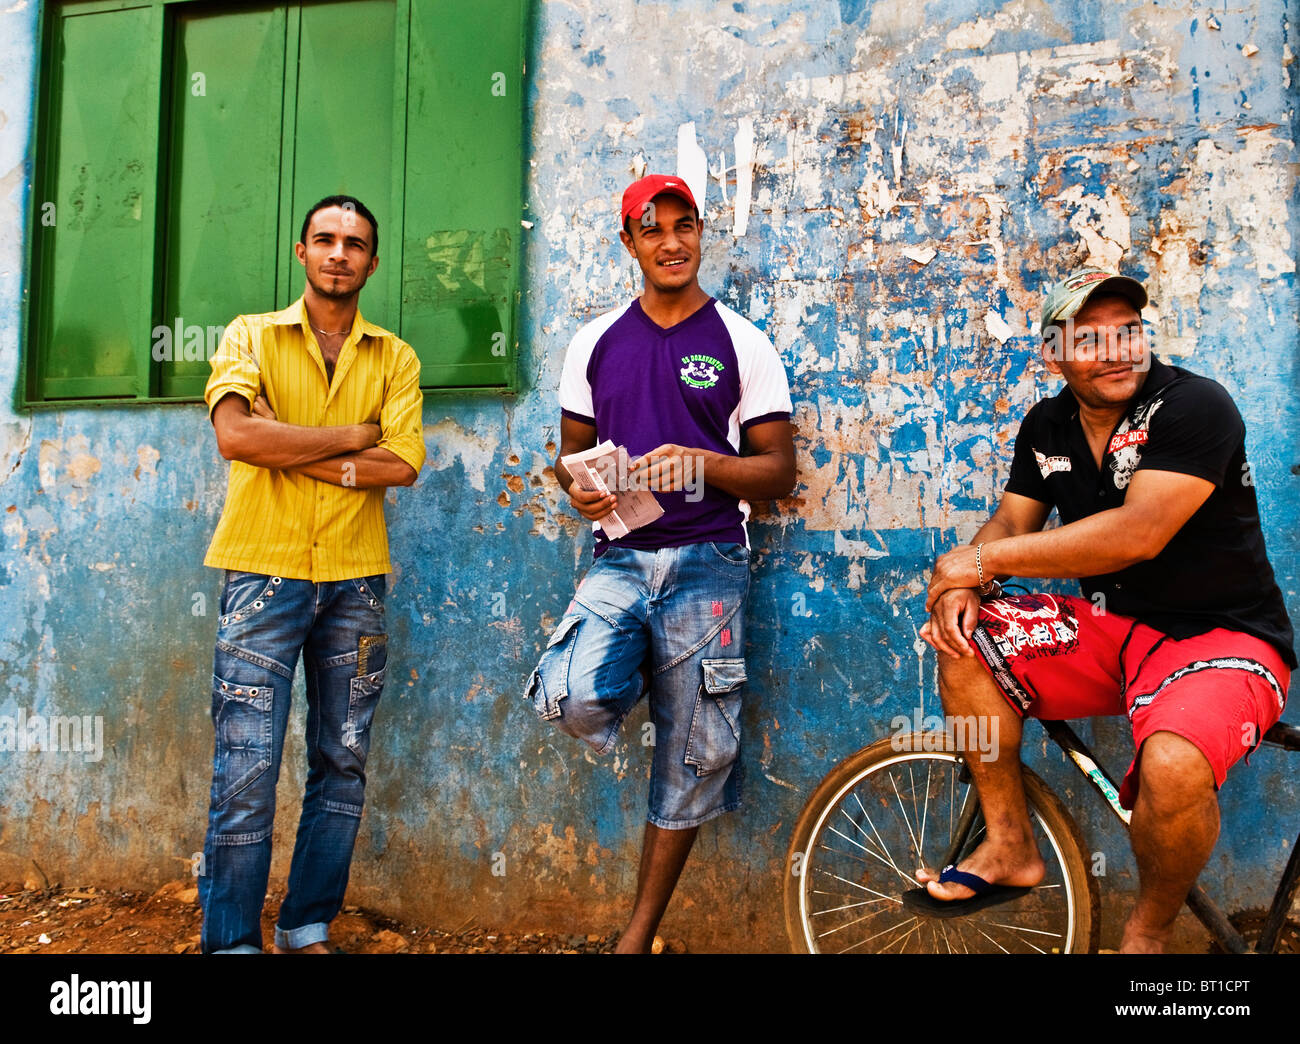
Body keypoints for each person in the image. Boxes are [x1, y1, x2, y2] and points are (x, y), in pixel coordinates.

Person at [916, 267, 1295, 953]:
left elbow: (1138, 533)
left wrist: (981, 565)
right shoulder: (1048, 425)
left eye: (1128, 331)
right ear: (1052, 355)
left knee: (1174, 766)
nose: (1117, 349)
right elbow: (1010, 520)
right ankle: (1008, 845)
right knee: (963, 638)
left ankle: (1148, 934)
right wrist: (966, 584)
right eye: (1088, 338)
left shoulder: (1193, 406)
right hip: (1114, 634)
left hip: (1223, 640)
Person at [526, 174, 796, 953]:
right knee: (573, 698)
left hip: (711, 564)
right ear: (629, 243)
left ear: (701, 233)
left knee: (696, 759)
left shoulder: (742, 343)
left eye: (684, 226)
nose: (671, 242)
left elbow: (777, 473)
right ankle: (656, 673)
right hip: (620, 556)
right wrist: (575, 489)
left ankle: (636, 938)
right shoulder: (596, 341)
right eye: (653, 229)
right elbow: (569, 457)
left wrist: (702, 464)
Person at [198, 195, 426, 953]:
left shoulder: (394, 358)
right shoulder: (250, 336)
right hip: (262, 574)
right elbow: (235, 435)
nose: (339, 253)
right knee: (246, 766)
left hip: (356, 582)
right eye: (324, 239)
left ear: (371, 261)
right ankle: (232, 940)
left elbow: (402, 463)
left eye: (354, 243)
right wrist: (351, 437)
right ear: (301, 252)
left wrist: (284, 442)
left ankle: (305, 925)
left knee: (342, 762)